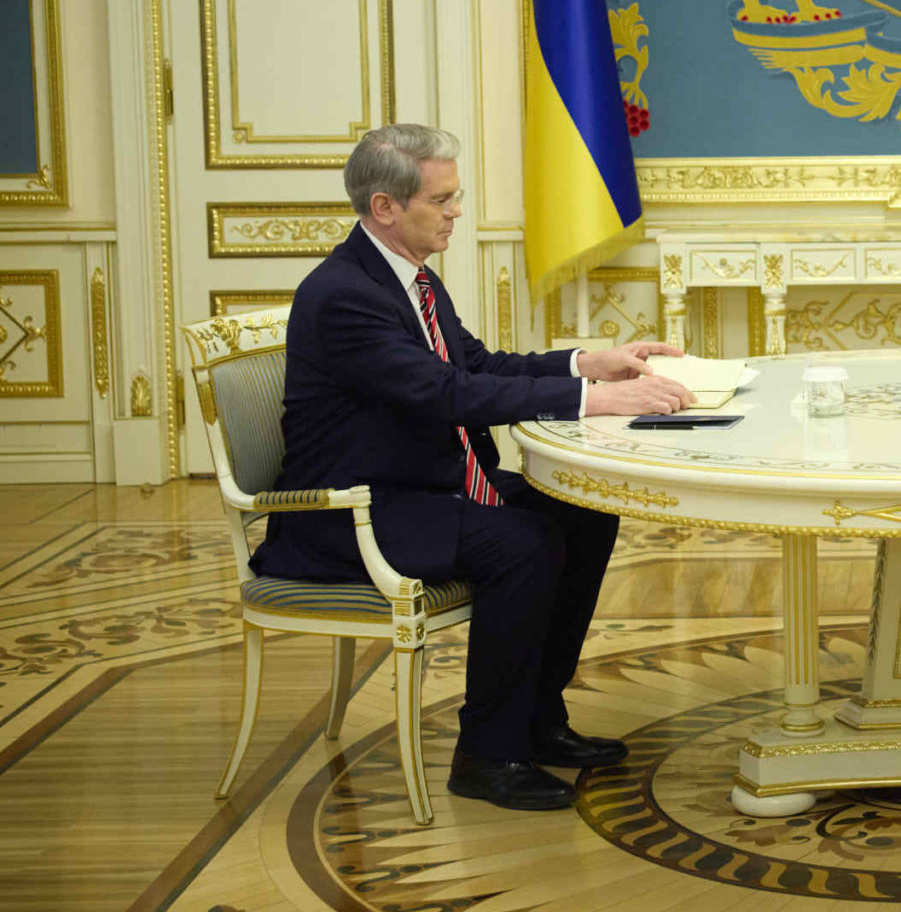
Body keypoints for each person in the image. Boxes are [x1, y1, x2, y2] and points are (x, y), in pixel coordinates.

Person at [255, 124, 694, 812]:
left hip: (422, 484)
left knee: (584, 510)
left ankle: (538, 719)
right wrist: (594, 401)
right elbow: (447, 394)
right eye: (443, 199)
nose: (457, 211)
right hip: (355, 511)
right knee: (523, 543)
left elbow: (478, 365)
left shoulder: (410, 277)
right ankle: (488, 755)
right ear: (385, 207)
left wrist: (587, 364)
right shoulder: (345, 295)